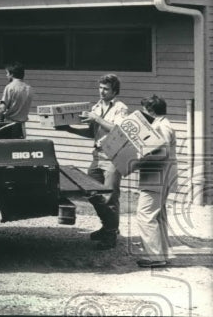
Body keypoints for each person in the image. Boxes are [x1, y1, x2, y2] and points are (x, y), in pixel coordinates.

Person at [60, 74, 129, 249]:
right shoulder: (97, 107)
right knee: (91, 192)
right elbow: (92, 132)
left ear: (114, 91)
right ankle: (108, 226)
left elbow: (119, 129)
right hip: (97, 154)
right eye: (100, 88)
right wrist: (69, 129)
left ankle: (110, 235)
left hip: (113, 155)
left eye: (106, 89)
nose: (102, 91)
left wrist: (96, 118)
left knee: (110, 196)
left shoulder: (120, 108)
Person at [132, 95, 178, 267]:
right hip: (159, 175)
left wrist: (140, 159)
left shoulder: (161, 126)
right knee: (157, 216)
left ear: (151, 111)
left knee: (145, 216)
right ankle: (163, 255)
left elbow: (163, 153)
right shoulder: (161, 125)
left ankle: (155, 257)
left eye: (145, 110)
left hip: (157, 176)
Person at [0, 62, 34, 133]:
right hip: (22, 127)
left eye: (7, 73)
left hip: (9, 126)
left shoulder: (10, 87)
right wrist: (3, 101)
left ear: (12, 74)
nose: (6, 75)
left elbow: (2, 109)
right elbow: (19, 102)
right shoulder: (29, 88)